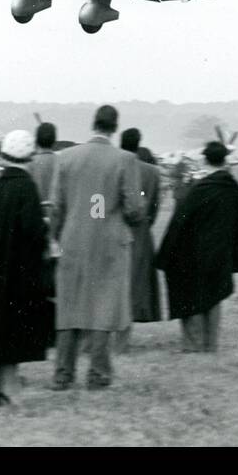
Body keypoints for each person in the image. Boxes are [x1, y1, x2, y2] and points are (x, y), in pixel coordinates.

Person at [50, 105, 144, 391]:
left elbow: (56, 206)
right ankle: (98, 373)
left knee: (68, 306)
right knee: (102, 307)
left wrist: (58, 236)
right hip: (108, 243)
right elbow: (134, 208)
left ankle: (63, 373)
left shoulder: (65, 158)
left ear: (93, 124)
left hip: (72, 240)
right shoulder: (126, 159)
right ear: (114, 128)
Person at [0, 130, 52, 406]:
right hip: (19, 273)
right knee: (14, 333)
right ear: (29, 157)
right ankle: (8, 389)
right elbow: (32, 232)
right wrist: (46, 226)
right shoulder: (26, 186)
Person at [156, 139, 238, 353]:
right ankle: (211, 344)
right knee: (215, 296)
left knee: (193, 296)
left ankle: (194, 344)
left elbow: (179, 221)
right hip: (223, 252)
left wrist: (166, 254)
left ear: (205, 159)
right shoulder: (233, 189)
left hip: (196, 252)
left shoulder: (200, 190)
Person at [114, 131, 162, 353]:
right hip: (141, 232)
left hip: (113, 230)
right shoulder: (152, 172)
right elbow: (154, 208)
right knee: (133, 286)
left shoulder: (112, 166)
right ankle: (122, 343)